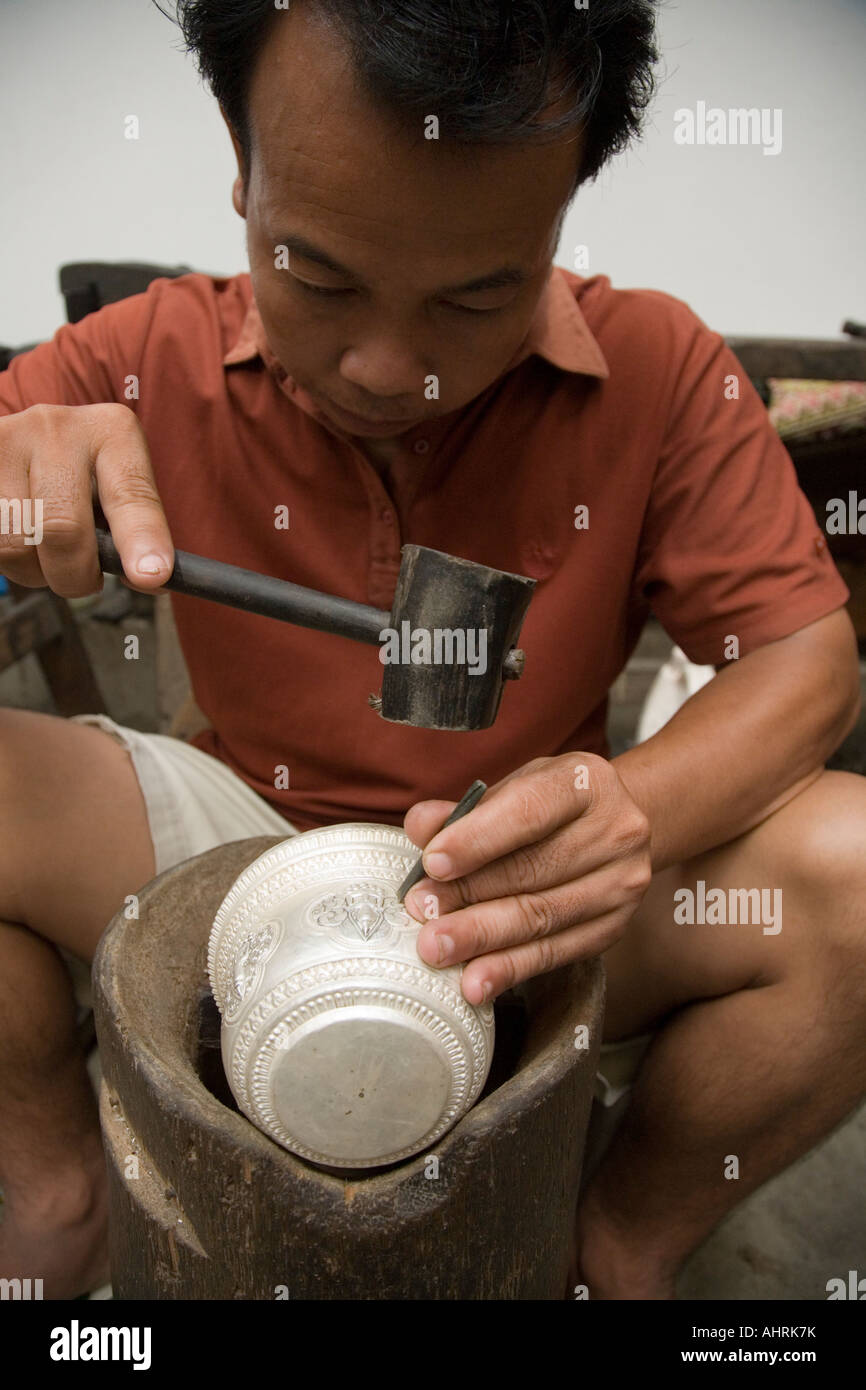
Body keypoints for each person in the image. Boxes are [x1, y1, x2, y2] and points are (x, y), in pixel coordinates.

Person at [0, 0, 863, 1301]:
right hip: (224, 845)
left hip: (518, 874)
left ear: (564, 208)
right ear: (239, 166)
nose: (388, 365)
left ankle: (613, 1245)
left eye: (477, 293)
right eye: (319, 274)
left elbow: (804, 657)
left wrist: (628, 806)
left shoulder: (661, 369)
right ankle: (57, 1199)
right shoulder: (138, 355)